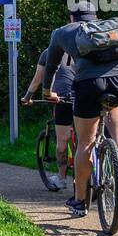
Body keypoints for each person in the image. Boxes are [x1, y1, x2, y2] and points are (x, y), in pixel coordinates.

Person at [41, 0, 118, 218]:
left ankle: (80, 201)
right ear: (95, 16)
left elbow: (51, 66)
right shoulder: (114, 28)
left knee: (85, 141)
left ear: (71, 18)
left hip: (89, 85)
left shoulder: (63, 32)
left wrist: (47, 92)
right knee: (115, 106)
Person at [21, 12, 79, 189]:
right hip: (83, 95)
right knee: (85, 139)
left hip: (61, 99)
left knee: (62, 141)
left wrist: (27, 98)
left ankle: (61, 179)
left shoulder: (48, 53)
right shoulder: (81, 49)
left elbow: (38, 79)